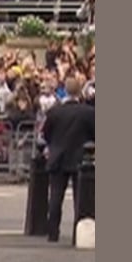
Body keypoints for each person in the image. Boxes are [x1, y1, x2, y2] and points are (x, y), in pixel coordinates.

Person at [41, 76, 96, 242]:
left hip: (58, 156)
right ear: (79, 92)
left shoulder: (54, 112)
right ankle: (77, 234)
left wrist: (53, 146)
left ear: (65, 90)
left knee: (56, 197)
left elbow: (46, 134)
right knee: (81, 198)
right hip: (81, 158)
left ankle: (52, 232)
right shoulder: (88, 112)